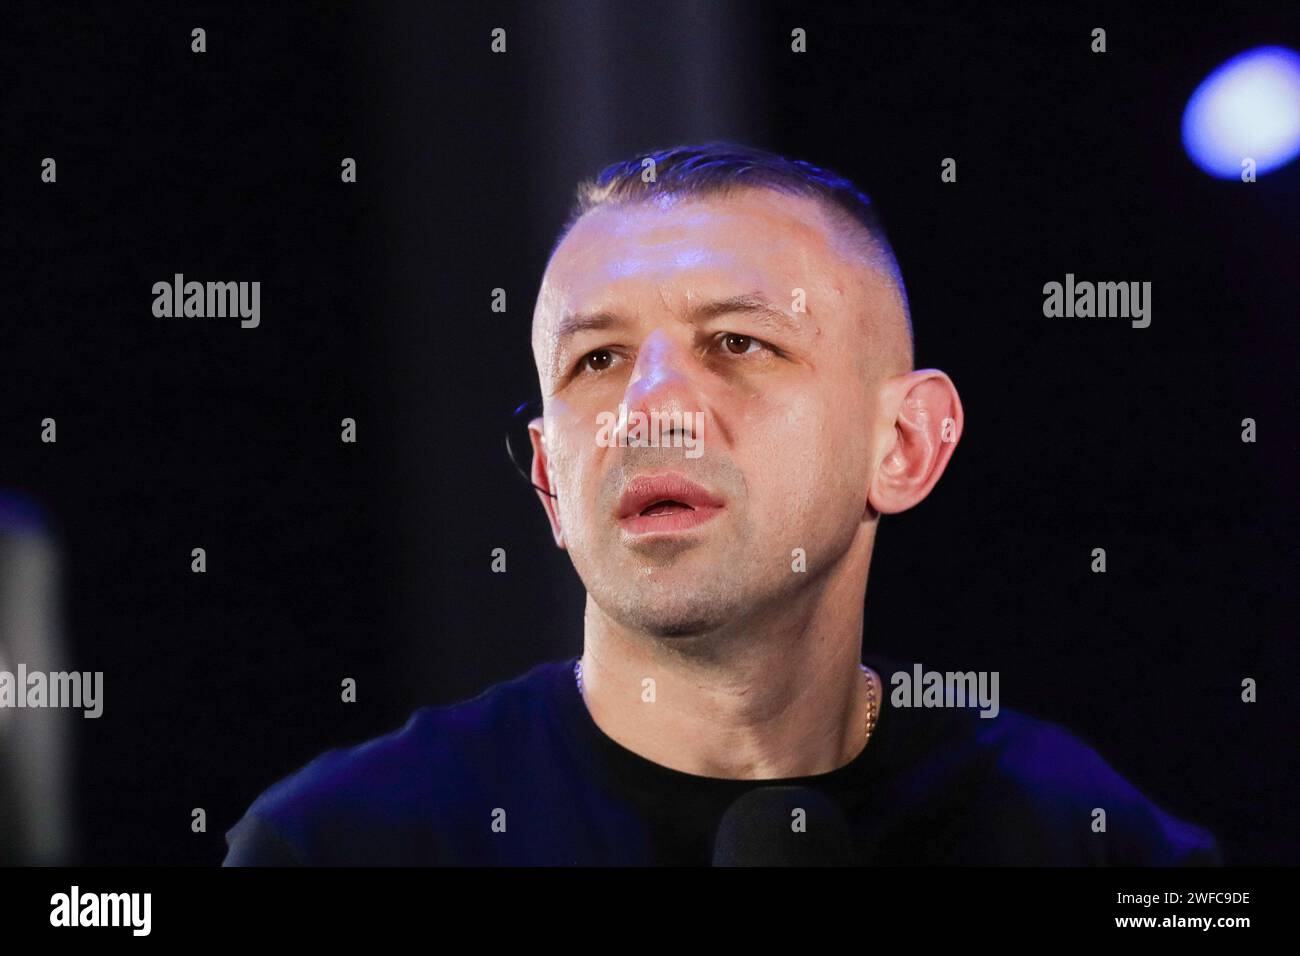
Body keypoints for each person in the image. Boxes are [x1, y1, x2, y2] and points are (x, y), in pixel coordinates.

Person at [223, 143, 1220, 865]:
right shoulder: (340, 841)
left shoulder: (1087, 840)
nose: (649, 409)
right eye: (597, 359)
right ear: (548, 482)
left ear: (905, 444)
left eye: (738, 342)